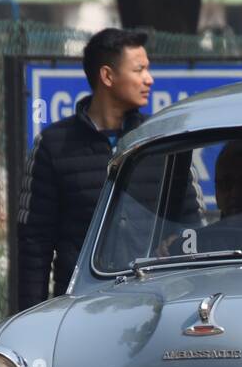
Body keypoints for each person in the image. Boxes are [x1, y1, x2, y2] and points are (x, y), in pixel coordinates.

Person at [16, 28, 153, 310]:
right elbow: (35, 246)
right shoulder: (53, 146)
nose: (148, 80)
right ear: (107, 76)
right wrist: (31, 320)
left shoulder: (159, 139)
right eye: (139, 70)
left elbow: (191, 223)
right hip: (80, 311)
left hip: (153, 307)